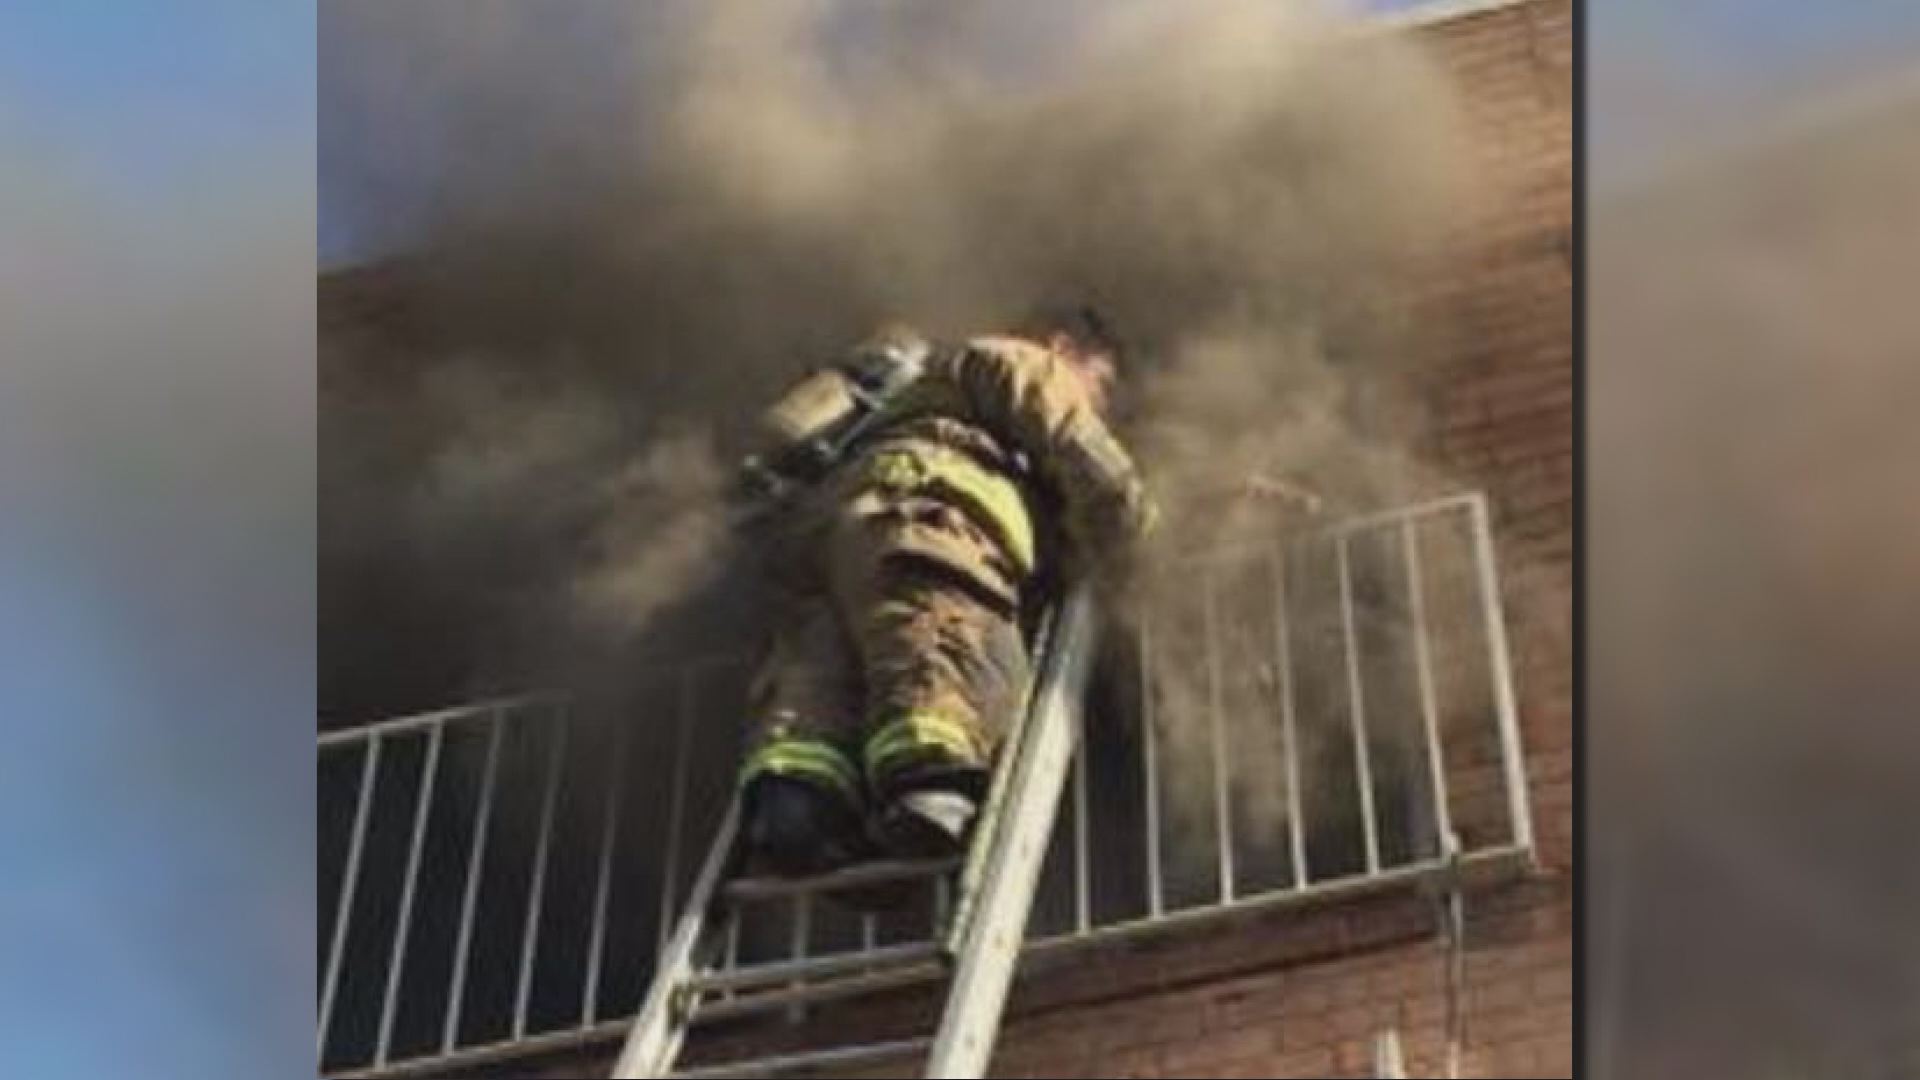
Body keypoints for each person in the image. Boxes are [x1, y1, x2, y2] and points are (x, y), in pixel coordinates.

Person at [730, 305, 1156, 884]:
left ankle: (799, 805)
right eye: (1101, 385)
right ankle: (930, 781)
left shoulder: (908, 403)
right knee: (942, 633)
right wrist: (1133, 530)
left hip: (824, 537)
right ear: (1065, 347)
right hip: (923, 512)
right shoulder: (1023, 360)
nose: (1100, 404)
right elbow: (1073, 444)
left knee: (822, 678)